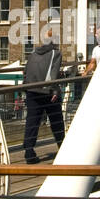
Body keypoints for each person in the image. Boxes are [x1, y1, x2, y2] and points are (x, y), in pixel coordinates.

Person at [22, 28, 65, 164]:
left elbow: (26, 71)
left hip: (31, 90)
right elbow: (53, 73)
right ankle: (63, 149)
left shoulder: (34, 53)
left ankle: (29, 152)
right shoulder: (56, 54)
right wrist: (55, 90)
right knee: (56, 120)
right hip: (47, 92)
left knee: (32, 122)